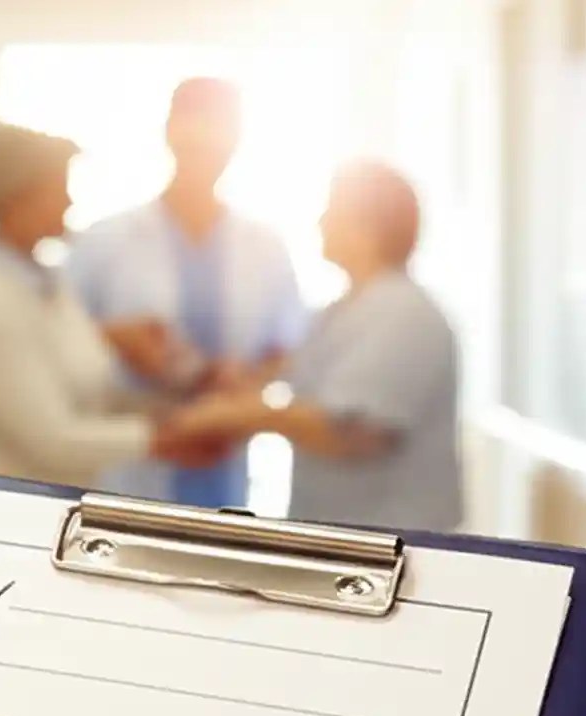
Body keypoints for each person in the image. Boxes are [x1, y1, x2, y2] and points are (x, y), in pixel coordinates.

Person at [175, 161, 463, 531]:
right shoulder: (340, 311)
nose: (320, 223)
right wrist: (231, 385)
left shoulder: (403, 313)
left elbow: (351, 432)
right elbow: (291, 376)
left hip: (395, 543)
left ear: (367, 226)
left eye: (332, 211)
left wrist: (238, 415)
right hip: (341, 534)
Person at [66, 77, 306, 508]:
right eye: (196, 129)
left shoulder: (265, 246)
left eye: (221, 132)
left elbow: (289, 344)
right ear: (170, 132)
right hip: (134, 456)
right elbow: (61, 343)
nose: (208, 146)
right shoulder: (106, 241)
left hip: (224, 457)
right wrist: (118, 340)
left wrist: (245, 382)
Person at [0, 123, 225, 489]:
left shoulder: (51, 285)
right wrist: (162, 440)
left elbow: (95, 396)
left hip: (63, 500)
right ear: (20, 198)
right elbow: (52, 440)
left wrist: (168, 413)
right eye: (58, 188)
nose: (68, 202)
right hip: (11, 506)